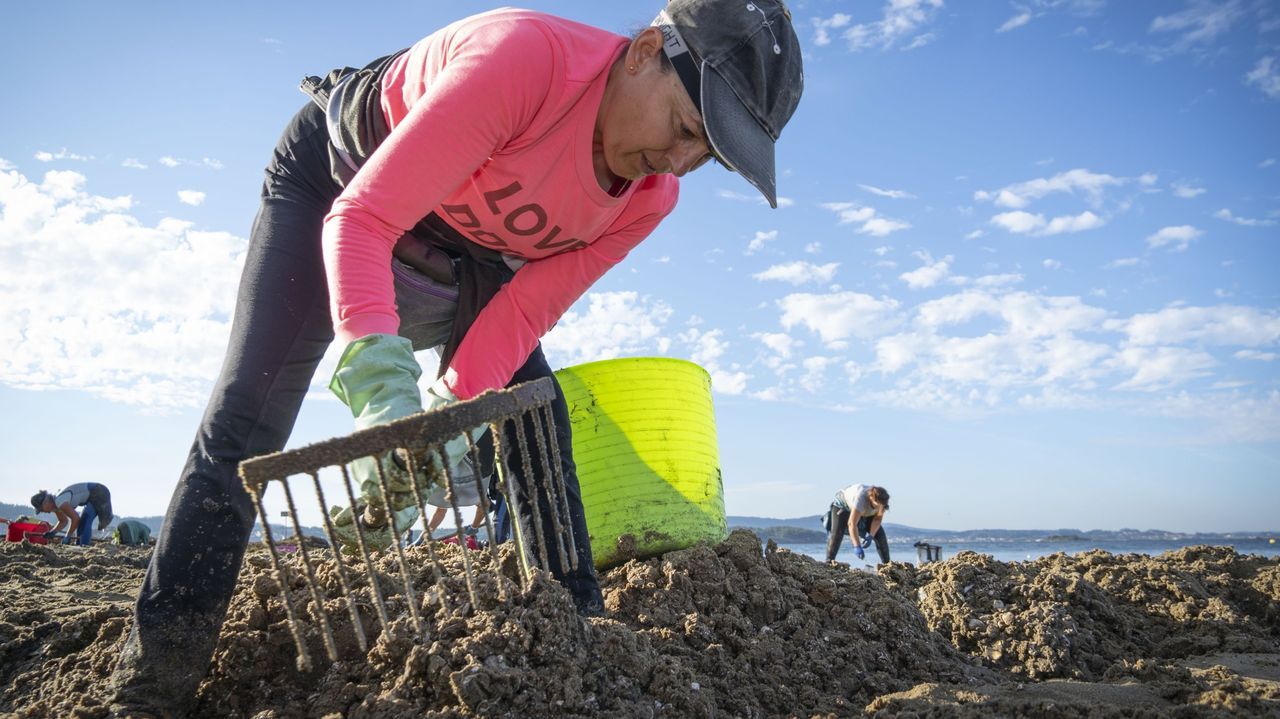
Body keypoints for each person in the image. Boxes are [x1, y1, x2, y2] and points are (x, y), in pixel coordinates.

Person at [108, 1, 802, 716]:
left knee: (538, 421)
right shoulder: (527, 60)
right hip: (339, 183)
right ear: (644, 52)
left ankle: (577, 637)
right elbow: (363, 218)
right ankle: (156, 679)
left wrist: (439, 428)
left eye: (706, 156)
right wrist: (384, 393)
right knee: (247, 413)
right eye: (685, 128)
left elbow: (523, 310)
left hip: (469, 249)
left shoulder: (649, 201)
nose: (678, 161)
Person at [31, 483, 115, 546]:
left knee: (85, 520)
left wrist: (67, 536)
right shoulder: (55, 504)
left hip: (98, 492)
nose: (44, 512)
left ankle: (83, 546)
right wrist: (52, 532)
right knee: (83, 521)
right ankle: (80, 545)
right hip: (93, 494)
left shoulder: (59, 501)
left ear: (45, 503)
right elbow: (63, 521)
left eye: (41, 509)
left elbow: (75, 519)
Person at [824, 484, 890, 565]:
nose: (879, 508)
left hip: (865, 511)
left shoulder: (882, 503)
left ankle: (887, 565)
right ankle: (829, 562)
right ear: (871, 498)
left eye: (881, 505)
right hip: (843, 506)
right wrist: (857, 546)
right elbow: (852, 524)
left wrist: (871, 536)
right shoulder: (861, 498)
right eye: (877, 505)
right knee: (837, 533)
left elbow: (877, 519)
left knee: (880, 535)